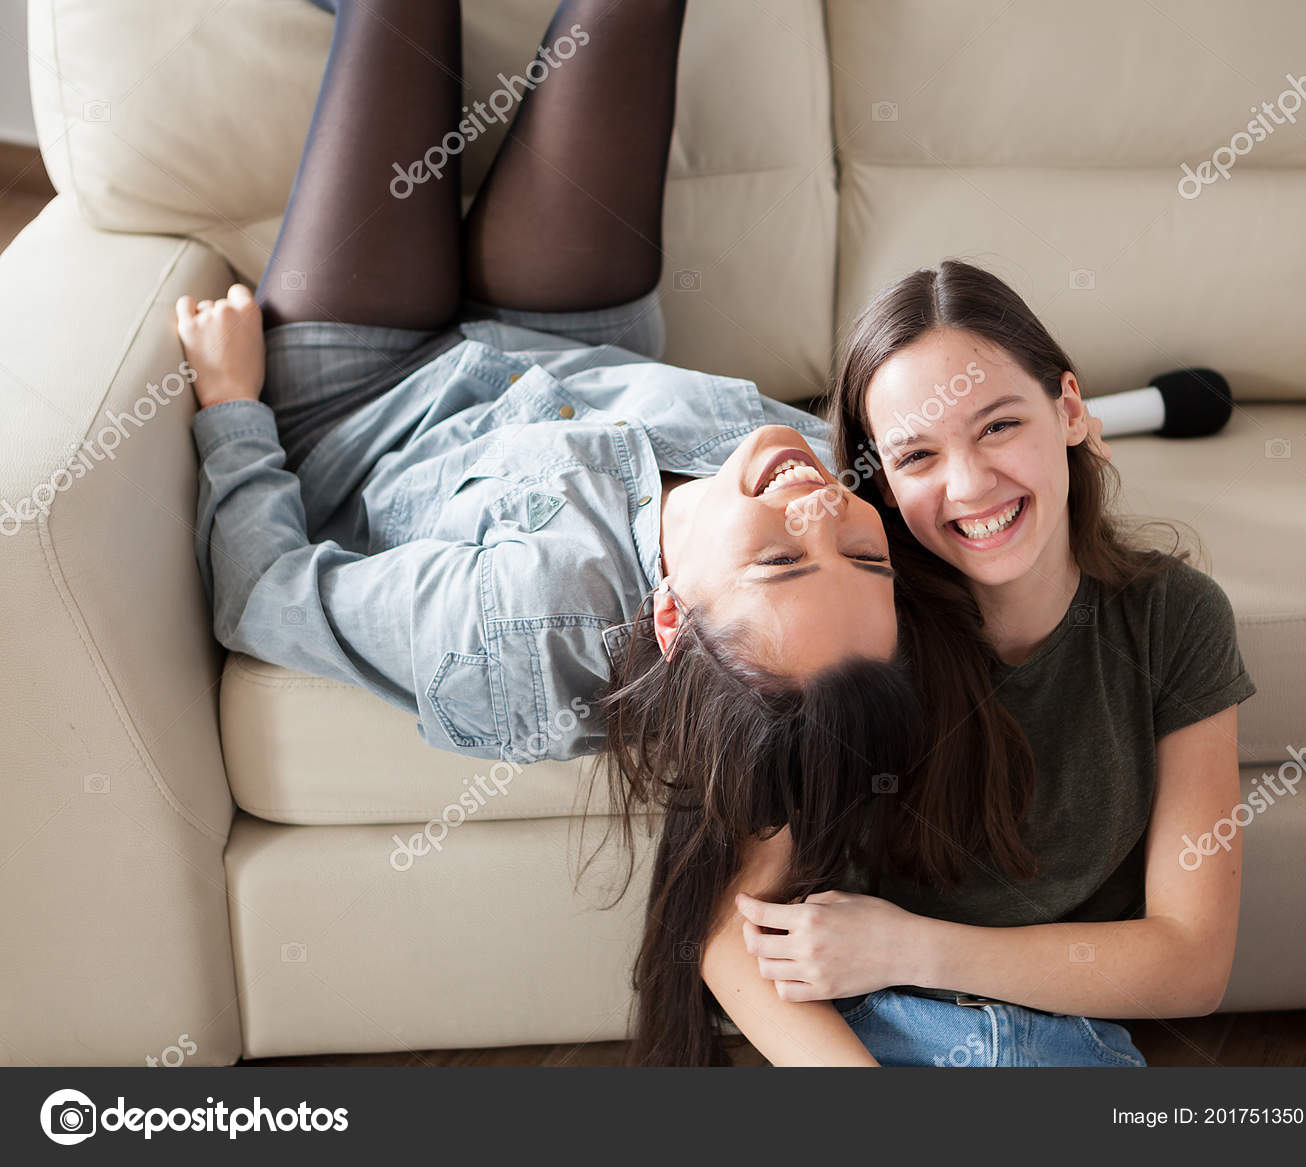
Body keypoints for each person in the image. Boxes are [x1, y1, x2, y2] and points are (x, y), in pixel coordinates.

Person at [176, 0, 934, 1066]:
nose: (823, 505)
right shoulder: (812, 472)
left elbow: (264, 595)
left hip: (363, 395)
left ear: (671, 615)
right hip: (562, 338)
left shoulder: (514, 641)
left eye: (779, 555)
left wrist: (232, 410)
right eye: (863, 553)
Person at [708, 259, 1258, 1067]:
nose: (970, 484)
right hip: (859, 1034)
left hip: (1058, 1030)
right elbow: (727, 929)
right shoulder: (852, 622)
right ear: (884, 484)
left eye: (999, 425)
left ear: (1069, 410)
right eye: (918, 455)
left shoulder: (1175, 619)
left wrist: (912, 948)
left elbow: (1192, 961)